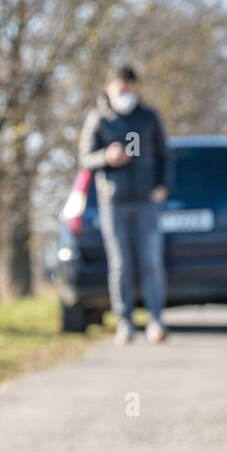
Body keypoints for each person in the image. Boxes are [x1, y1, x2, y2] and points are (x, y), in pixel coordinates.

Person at [78, 65, 170, 344]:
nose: (126, 94)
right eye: (121, 89)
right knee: (120, 264)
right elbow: (84, 158)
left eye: (131, 89)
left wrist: (162, 186)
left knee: (151, 261)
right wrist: (106, 156)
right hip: (113, 202)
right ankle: (125, 322)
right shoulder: (98, 119)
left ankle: (156, 321)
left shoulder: (149, 117)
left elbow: (165, 155)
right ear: (109, 88)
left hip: (145, 201)